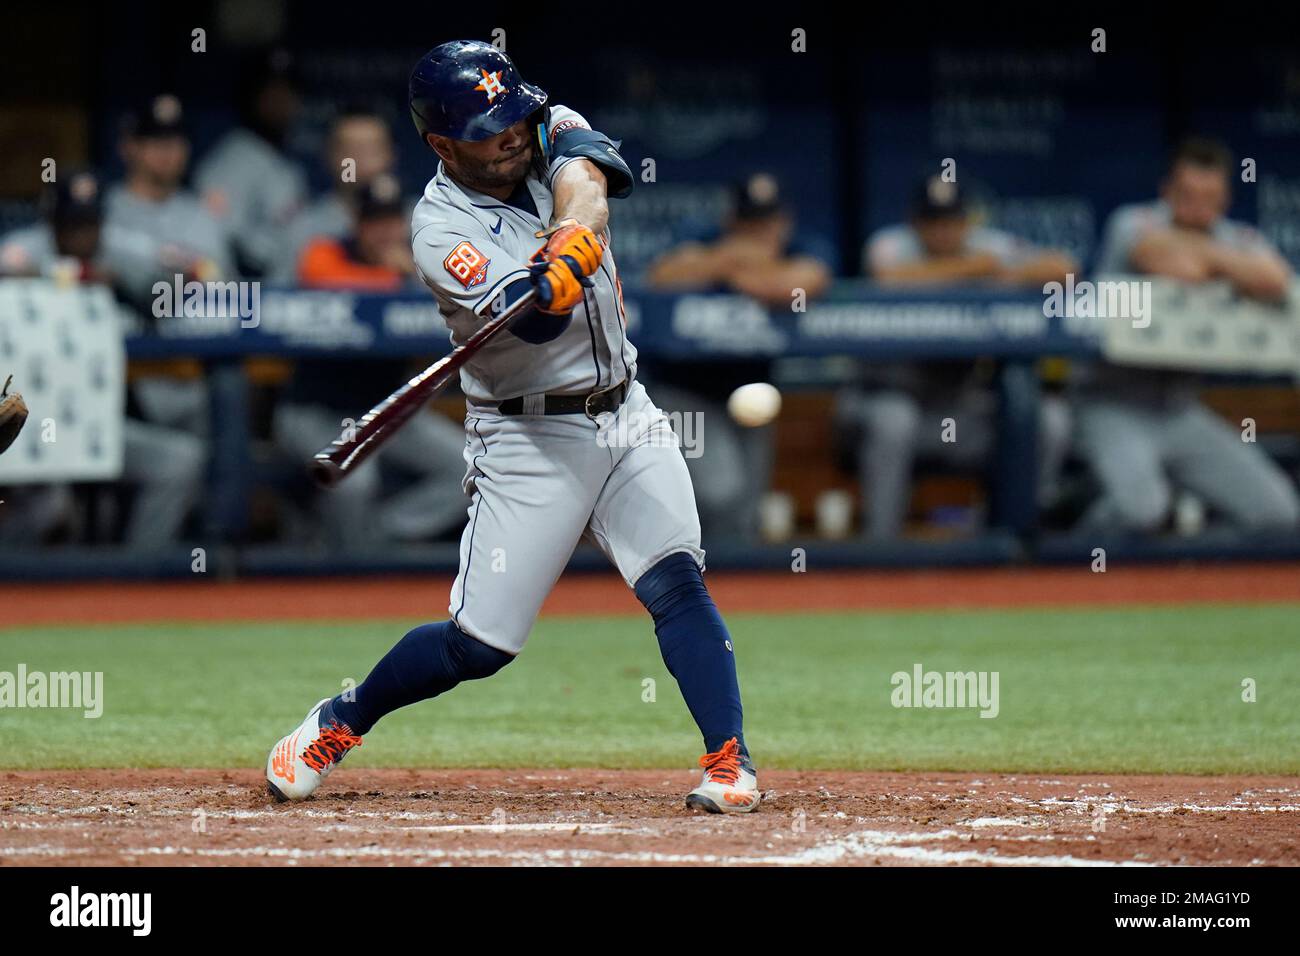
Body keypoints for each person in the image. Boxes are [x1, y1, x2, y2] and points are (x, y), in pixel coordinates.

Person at [267, 40, 760, 814]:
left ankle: (730, 760)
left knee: (675, 580)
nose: (510, 136)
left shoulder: (543, 122)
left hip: (625, 410)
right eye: (487, 130)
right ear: (440, 145)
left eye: (513, 119)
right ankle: (340, 719)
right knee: (480, 646)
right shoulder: (436, 229)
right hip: (529, 438)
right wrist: (546, 289)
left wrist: (571, 237)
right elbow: (526, 327)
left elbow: (588, 180)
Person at [1076, 137, 1299, 534]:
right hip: (1111, 402)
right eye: (1187, 195)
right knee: (1139, 511)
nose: (1197, 208)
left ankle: (1193, 570)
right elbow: (1170, 264)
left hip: (1181, 410)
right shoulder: (1134, 221)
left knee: (1279, 514)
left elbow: (1274, 279)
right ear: (1166, 191)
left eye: (1209, 197)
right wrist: (1224, 266)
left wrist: (1209, 258)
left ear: (1225, 198)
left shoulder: (1237, 236)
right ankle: (1068, 557)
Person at [837, 175, 1077, 539]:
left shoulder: (986, 247)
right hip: (883, 399)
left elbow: (1064, 269)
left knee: (1048, 419)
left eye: (953, 221)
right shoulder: (892, 244)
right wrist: (972, 272)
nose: (944, 232)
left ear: (968, 221)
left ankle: (1011, 538)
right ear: (915, 222)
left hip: (956, 411)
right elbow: (888, 278)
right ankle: (881, 550)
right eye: (934, 221)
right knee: (894, 420)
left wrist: (1003, 274)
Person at [0, 171, 205, 549]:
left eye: (90, 223)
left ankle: (136, 576)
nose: (82, 235)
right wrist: (50, 277)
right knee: (48, 510)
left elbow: (194, 277)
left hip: (95, 422)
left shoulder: (121, 249)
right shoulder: (23, 249)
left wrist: (127, 283)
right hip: (24, 424)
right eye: (72, 224)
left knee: (181, 461)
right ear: (51, 222)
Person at [273, 173, 467, 548]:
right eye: (374, 222)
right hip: (315, 410)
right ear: (356, 224)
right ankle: (342, 571)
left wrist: (412, 276)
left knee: (467, 467)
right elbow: (324, 279)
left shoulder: (422, 260)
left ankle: (376, 539)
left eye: (392, 221)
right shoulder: (325, 252)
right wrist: (398, 279)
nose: (384, 232)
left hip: (387, 412)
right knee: (353, 480)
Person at [643, 173, 833, 539]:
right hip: (683, 392)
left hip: (752, 394)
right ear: (730, 220)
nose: (758, 233)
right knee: (719, 492)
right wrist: (733, 258)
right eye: (749, 223)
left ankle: (738, 593)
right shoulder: (700, 238)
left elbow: (799, 285)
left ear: (785, 221)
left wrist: (731, 273)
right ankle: (691, 574)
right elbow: (662, 277)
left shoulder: (803, 245)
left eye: (767, 222)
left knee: (747, 508)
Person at [103, 94, 232, 440]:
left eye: (175, 140)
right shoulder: (102, 214)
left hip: (192, 378)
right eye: (153, 140)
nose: (166, 150)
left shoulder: (204, 218)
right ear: (128, 146)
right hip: (120, 378)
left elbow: (229, 298)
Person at [194, 48, 308, 279]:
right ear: (251, 97)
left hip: (284, 295)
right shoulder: (229, 163)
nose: (280, 101)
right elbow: (220, 242)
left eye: (287, 92)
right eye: (271, 92)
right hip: (246, 298)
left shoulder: (286, 165)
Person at [274, 106, 397, 282]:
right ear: (330, 155)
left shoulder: (422, 219)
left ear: (390, 155)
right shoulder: (303, 227)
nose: (360, 161)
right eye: (351, 151)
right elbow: (279, 295)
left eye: (371, 150)